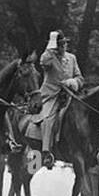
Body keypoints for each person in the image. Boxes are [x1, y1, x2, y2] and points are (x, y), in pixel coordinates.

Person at [38, 30, 83, 168]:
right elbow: (43, 62)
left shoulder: (72, 58)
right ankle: (46, 152)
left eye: (64, 44)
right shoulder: (49, 57)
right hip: (52, 95)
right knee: (48, 119)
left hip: (69, 95)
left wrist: (73, 82)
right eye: (60, 44)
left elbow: (80, 78)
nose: (64, 47)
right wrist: (50, 48)